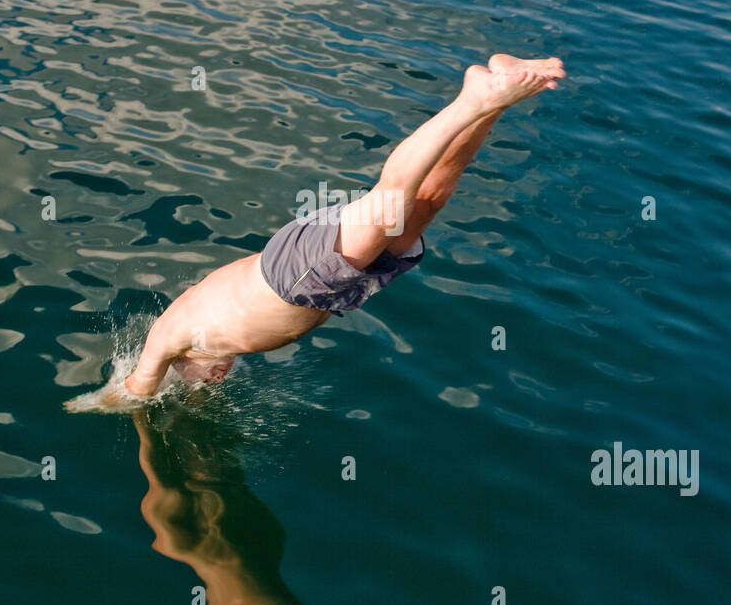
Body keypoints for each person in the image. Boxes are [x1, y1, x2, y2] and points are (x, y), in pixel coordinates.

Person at [122, 54, 564, 397]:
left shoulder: (167, 338)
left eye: (203, 381)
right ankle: (496, 97)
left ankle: (472, 98)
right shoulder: (209, 345)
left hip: (294, 274)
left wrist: (113, 409)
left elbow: (135, 392)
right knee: (429, 199)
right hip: (322, 284)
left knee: (392, 195)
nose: (215, 381)